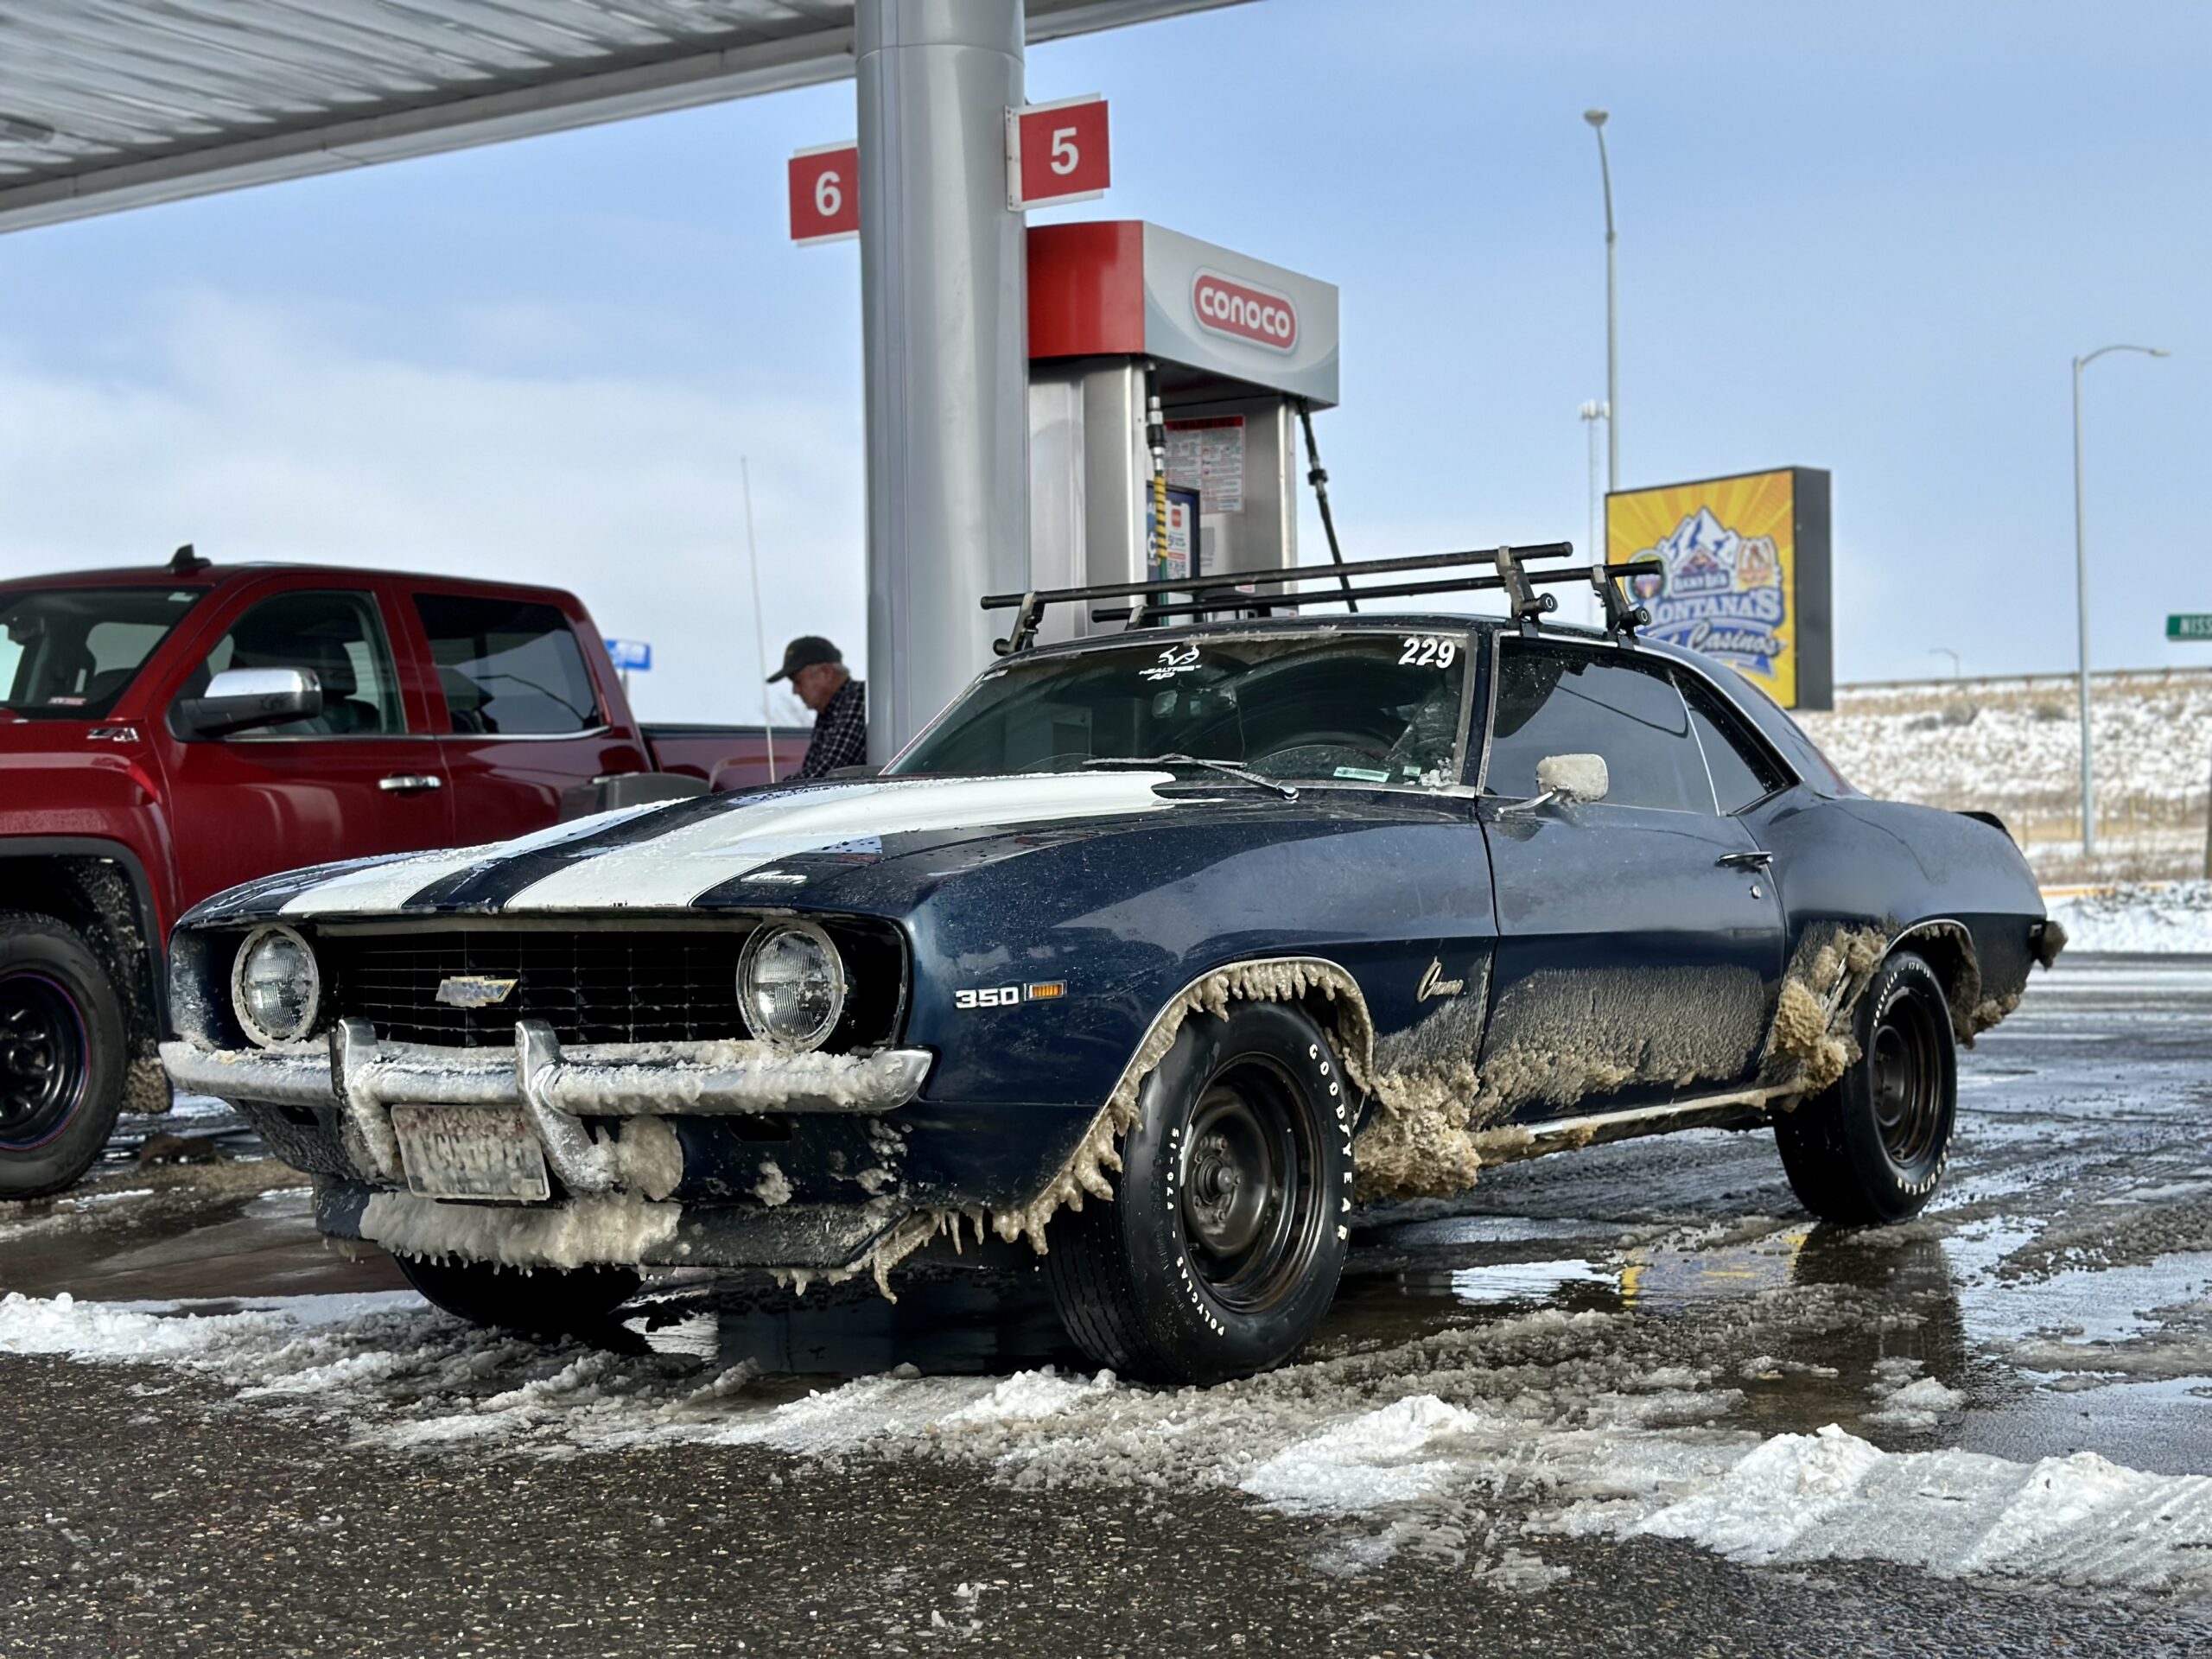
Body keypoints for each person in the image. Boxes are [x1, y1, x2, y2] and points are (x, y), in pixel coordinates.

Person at [769, 635, 868, 779]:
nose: (795, 691)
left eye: (798, 681)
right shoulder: (828, 712)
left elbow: (827, 772)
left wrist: (780, 791)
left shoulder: (859, 698)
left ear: (826, 672)